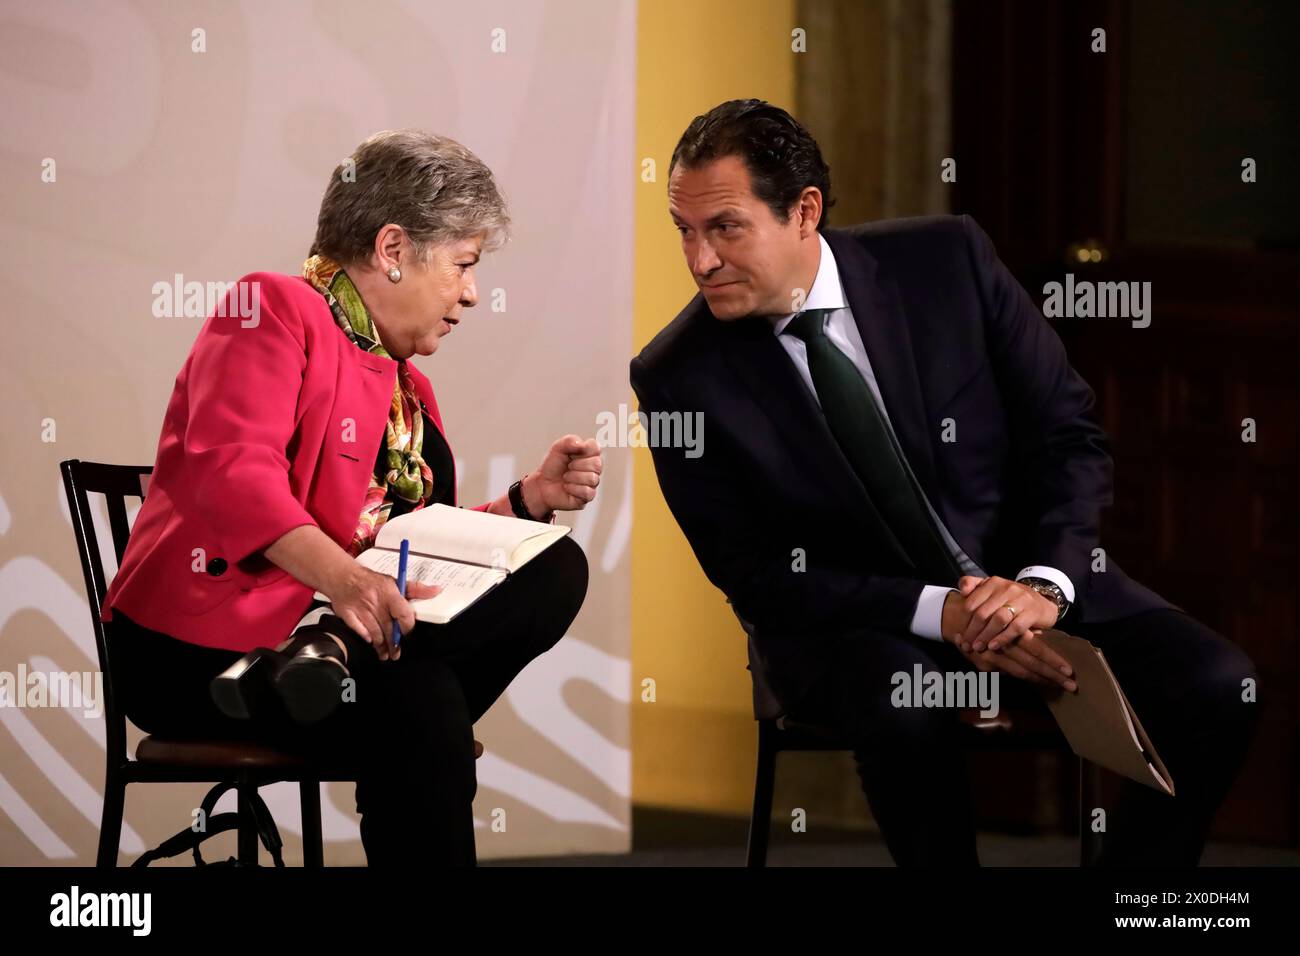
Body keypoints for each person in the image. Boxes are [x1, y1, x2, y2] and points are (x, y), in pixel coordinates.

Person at [630, 99, 1259, 866]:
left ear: (804, 212)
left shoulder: (945, 262)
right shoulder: (677, 375)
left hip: (1028, 582)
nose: (700, 261)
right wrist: (945, 613)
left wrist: (1043, 586)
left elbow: (1067, 434)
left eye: (725, 228)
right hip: (860, 627)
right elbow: (753, 575)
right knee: (901, 704)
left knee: (1217, 684)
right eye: (684, 230)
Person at [100, 129, 602, 866]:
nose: (471, 292)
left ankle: (328, 652)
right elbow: (231, 472)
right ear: (393, 248)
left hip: (335, 650)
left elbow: (410, 547)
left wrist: (525, 503)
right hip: (202, 656)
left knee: (553, 569)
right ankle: (321, 657)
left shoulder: (407, 388)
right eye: (463, 264)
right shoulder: (272, 307)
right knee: (423, 702)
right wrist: (345, 582)